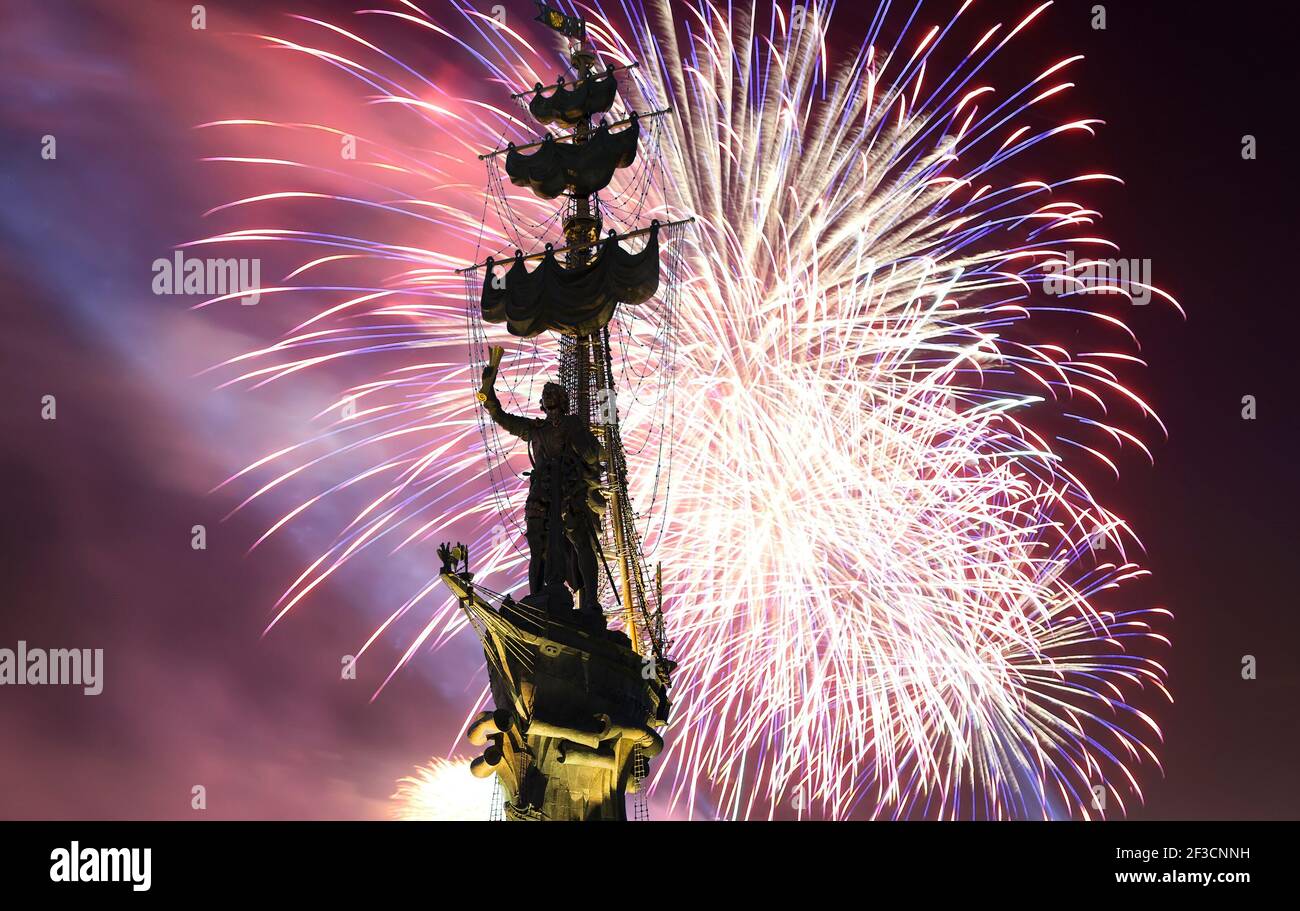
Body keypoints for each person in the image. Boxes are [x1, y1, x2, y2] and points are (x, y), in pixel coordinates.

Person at [479, 364, 607, 618]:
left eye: (553, 392)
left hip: (569, 489)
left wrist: (578, 441)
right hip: (542, 491)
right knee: (538, 547)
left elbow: (595, 455)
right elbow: (505, 419)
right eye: (545, 393)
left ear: (561, 400)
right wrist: (488, 394)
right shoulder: (536, 429)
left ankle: (590, 599)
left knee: (581, 542)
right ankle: (537, 595)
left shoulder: (572, 425)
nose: (548, 395)